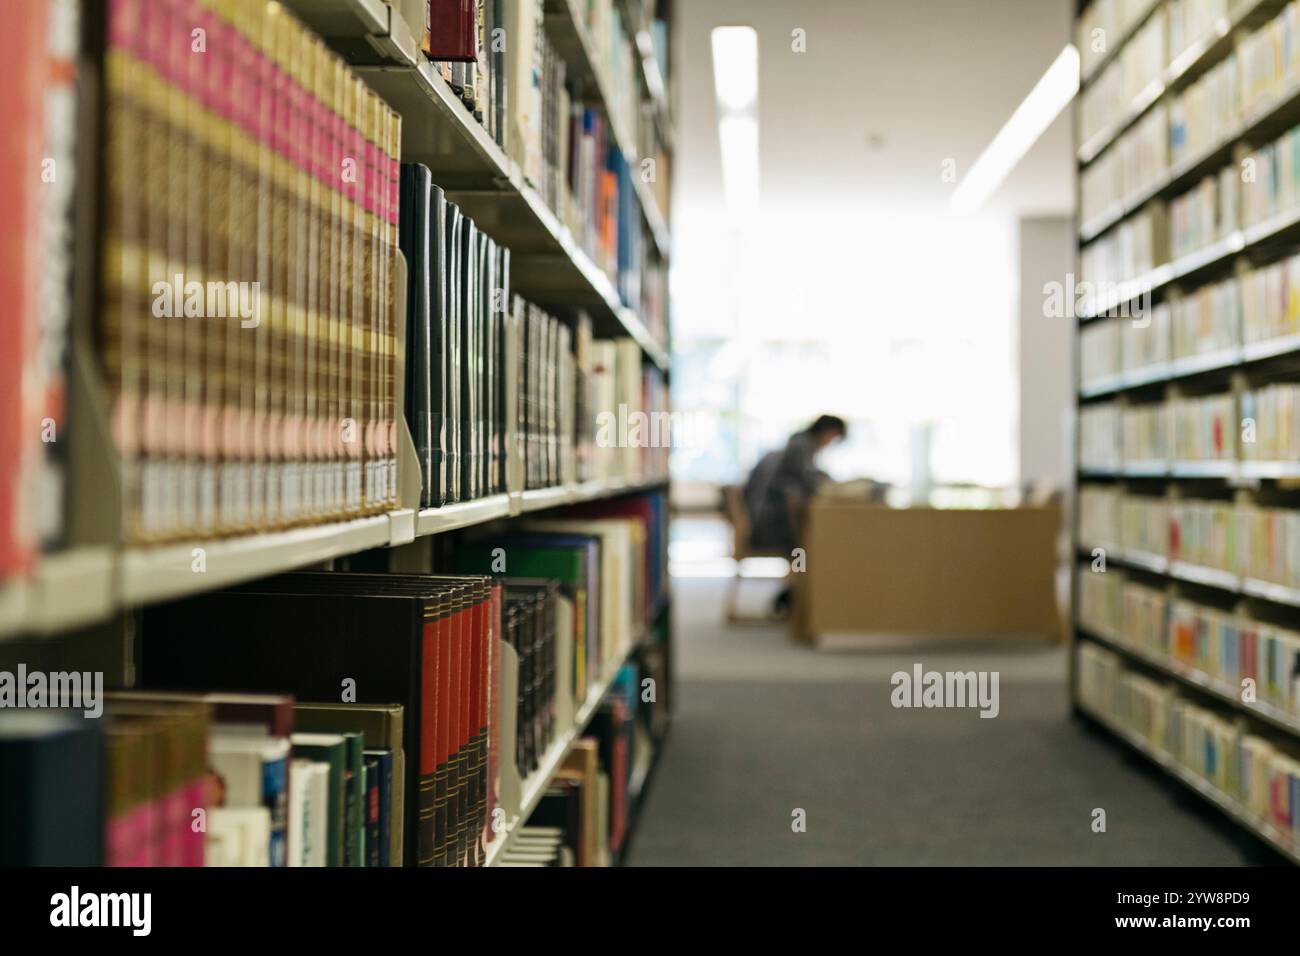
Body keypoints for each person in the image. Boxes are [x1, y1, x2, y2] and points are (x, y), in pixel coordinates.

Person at [743, 415, 848, 615]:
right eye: (834, 438)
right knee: (806, 547)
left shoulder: (801, 444)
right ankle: (794, 596)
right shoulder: (801, 446)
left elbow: (811, 477)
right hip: (775, 528)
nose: (830, 443)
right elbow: (809, 481)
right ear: (827, 431)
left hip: (779, 523)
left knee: (809, 544)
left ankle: (794, 594)